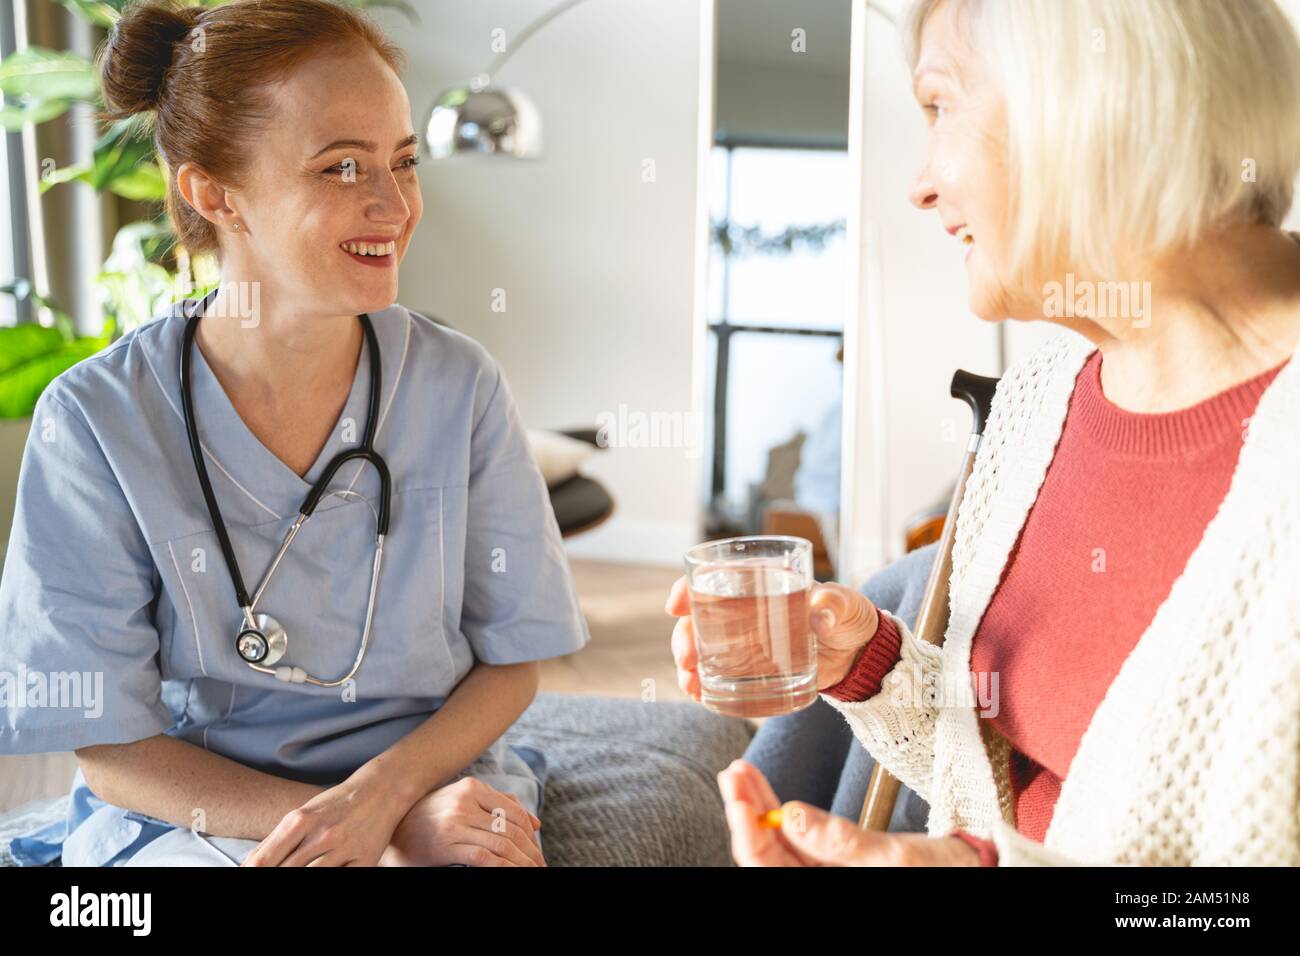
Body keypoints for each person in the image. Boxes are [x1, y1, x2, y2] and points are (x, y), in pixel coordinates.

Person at [668, 0, 1300, 866]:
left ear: (1086, 102)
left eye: (939, 107)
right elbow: (1015, 785)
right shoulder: (1045, 390)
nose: (919, 184)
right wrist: (868, 667)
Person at [0, 0, 588, 867]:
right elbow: (108, 744)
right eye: (342, 167)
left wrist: (387, 804)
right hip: (200, 810)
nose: (393, 204)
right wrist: (346, 826)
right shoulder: (95, 422)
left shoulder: (457, 386)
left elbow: (514, 661)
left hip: (428, 780)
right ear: (213, 193)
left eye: (403, 161)